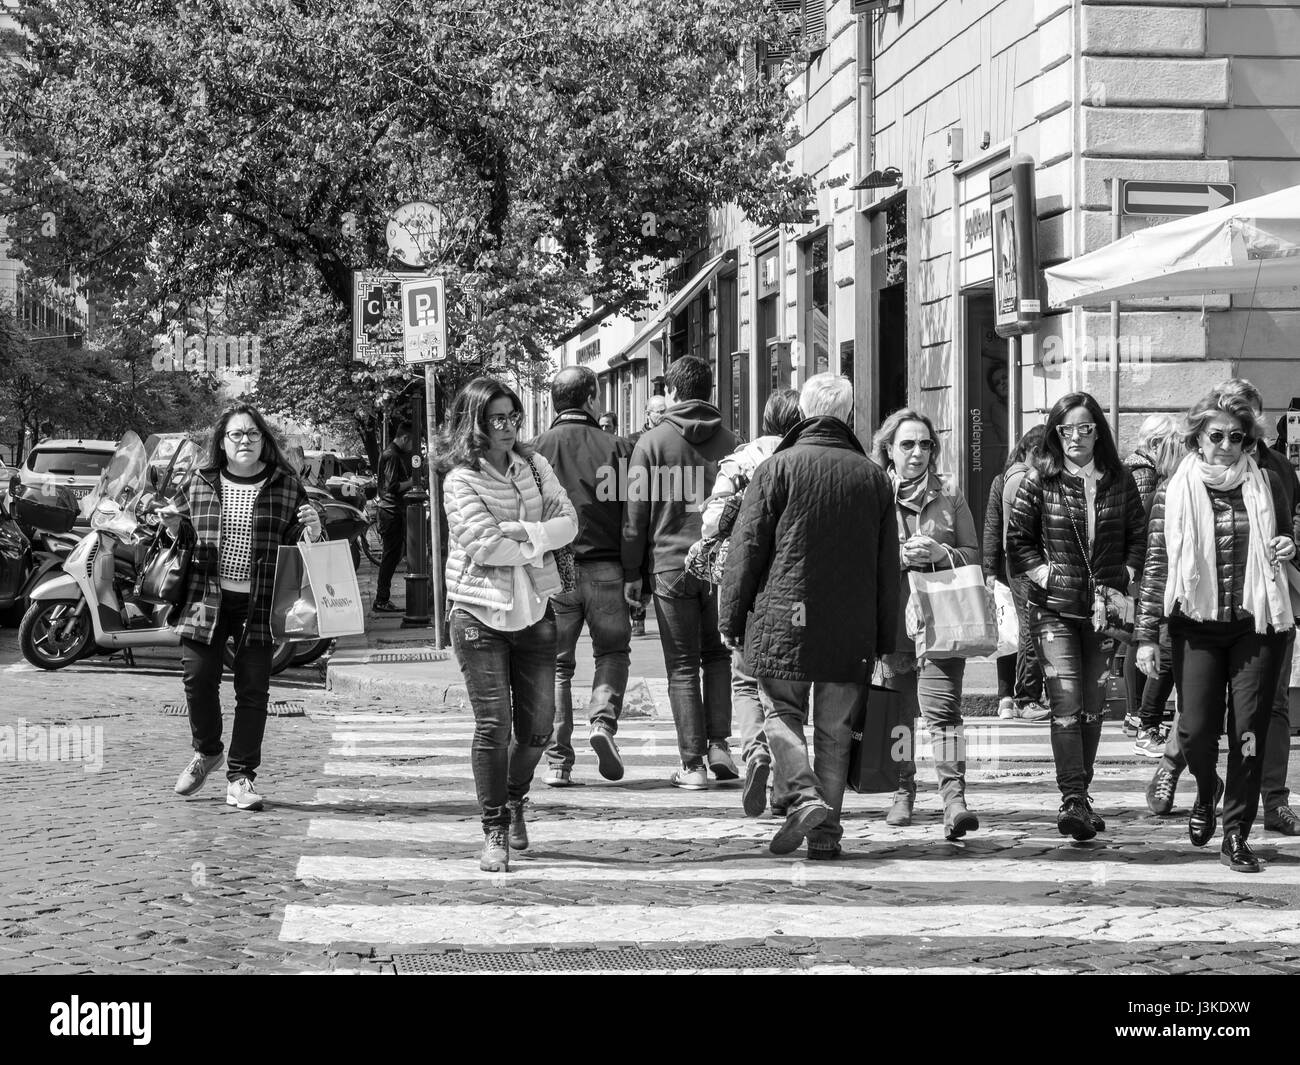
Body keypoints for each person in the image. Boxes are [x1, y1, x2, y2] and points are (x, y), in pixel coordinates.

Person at [719, 374, 900, 858]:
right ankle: (825, 833)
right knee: (836, 731)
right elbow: (888, 566)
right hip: (852, 621)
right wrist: (889, 635)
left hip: (785, 617)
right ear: (848, 414)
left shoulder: (777, 468)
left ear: (802, 412)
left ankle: (802, 796)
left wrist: (731, 617)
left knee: (781, 710)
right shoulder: (873, 476)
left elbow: (747, 549)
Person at [1135, 385, 1296, 872]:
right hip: (1195, 626)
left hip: (1258, 625)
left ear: (1248, 441)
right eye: (1216, 436)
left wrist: (1290, 545)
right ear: (1197, 439)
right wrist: (1146, 635)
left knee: (1248, 731)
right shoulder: (1174, 488)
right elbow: (1157, 563)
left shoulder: (1266, 481)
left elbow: (1290, 530)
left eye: (1236, 437)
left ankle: (1236, 834)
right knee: (1195, 731)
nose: (1226, 445)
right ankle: (1207, 790)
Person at [440, 377, 578, 872]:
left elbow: (570, 521)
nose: (507, 425)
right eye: (496, 417)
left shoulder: (534, 465)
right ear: (474, 421)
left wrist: (529, 532)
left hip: (537, 610)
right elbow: (483, 546)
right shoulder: (460, 478)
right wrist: (540, 540)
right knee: (494, 727)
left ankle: (516, 796)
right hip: (479, 615)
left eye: (512, 415)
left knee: (539, 729)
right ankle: (494, 827)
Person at [165, 404, 324, 811]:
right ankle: (207, 751)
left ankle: (241, 777)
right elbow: (179, 534)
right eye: (236, 435)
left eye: (253, 435)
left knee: (253, 690)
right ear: (222, 441)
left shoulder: (286, 485)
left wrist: (314, 529)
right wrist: (170, 525)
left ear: (264, 441)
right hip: (205, 596)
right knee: (198, 679)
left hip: (262, 602)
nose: (245, 442)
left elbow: (300, 544)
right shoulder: (199, 482)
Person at [1006, 391, 1146, 842]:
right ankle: (1072, 799)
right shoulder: (1038, 480)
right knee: (1065, 702)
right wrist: (1046, 574)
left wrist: (1124, 571)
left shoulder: (1119, 479)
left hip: (1105, 608)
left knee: (1093, 706)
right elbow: (1018, 540)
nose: (1076, 438)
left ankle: (1081, 798)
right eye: (1066, 430)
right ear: (1055, 434)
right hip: (1054, 610)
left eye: (1085, 428)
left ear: (1097, 432)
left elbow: (1139, 535)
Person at [622, 356, 737, 789]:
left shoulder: (650, 444)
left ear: (671, 393)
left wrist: (633, 571)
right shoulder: (731, 441)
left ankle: (692, 766)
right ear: (709, 390)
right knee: (719, 656)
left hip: (670, 563)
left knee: (683, 666)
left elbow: (635, 514)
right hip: (720, 564)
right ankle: (720, 746)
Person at [873, 408, 982, 839]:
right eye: (907, 444)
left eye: (925, 444)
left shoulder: (950, 492)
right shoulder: (876, 492)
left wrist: (942, 554)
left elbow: (975, 554)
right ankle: (903, 790)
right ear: (889, 449)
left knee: (945, 715)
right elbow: (856, 555)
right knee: (900, 716)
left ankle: (954, 800)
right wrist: (897, 557)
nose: (917, 453)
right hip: (894, 624)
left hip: (943, 622)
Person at [699, 388, 802, 816]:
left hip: (742, 580)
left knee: (743, 680)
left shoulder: (741, 461)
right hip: (790, 583)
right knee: (785, 689)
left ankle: (755, 752)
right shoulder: (803, 460)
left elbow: (708, 523)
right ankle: (783, 778)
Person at [532, 366, 634, 787]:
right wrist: (635, 571)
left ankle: (558, 761)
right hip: (607, 564)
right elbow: (633, 516)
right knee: (611, 652)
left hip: (555, 569)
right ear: (592, 399)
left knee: (558, 666)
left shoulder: (533, 452)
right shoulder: (620, 449)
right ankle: (602, 722)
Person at [982, 426, 1049, 723]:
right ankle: (1023, 697)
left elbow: (993, 529)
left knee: (1013, 629)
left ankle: (1009, 697)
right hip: (1025, 565)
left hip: (1010, 566)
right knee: (1024, 629)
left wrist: (990, 570)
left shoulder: (1002, 479)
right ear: (1034, 452)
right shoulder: (1024, 479)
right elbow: (998, 529)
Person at [1128, 419, 1185, 758]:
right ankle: (1146, 724)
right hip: (1165, 590)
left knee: (1168, 660)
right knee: (1164, 660)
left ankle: (1147, 722)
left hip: (1166, 589)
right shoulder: (1161, 487)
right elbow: (1154, 549)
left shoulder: (1168, 484)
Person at [1119, 414, 1178, 738]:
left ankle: (1138, 713)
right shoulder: (1144, 473)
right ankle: (1136, 713)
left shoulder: (1136, 468)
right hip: (1143, 567)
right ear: (1155, 444)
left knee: (1139, 635)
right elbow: (1144, 527)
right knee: (1141, 637)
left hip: (1139, 566)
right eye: (1171, 444)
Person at [372, 421, 418, 613]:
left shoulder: (392, 454)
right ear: (405, 438)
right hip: (391, 512)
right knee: (391, 557)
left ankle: (382, 599)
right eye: (411, 443)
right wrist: (413, 481)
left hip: (391, 511)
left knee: (393, 556)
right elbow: (392, 486)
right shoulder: (392, 456)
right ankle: (381, 600)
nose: (411, 448)